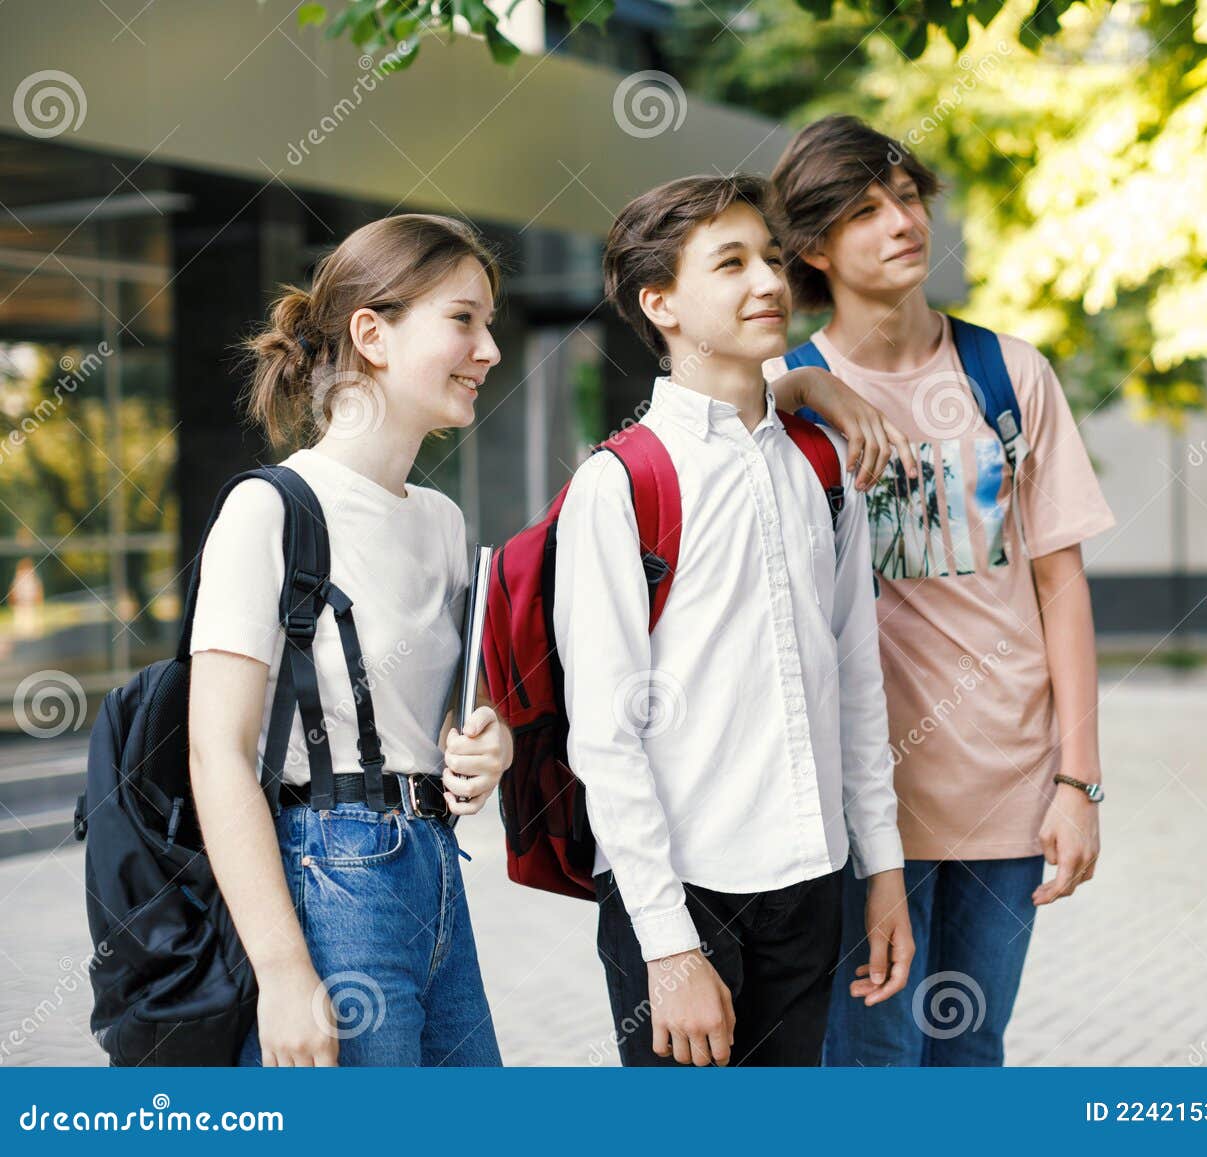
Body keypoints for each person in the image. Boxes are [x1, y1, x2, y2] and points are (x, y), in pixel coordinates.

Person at [767, 116, 1117, 1066]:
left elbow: (1063, 587)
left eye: (907, 197)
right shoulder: (782, 392)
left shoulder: (1009, 374)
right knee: (872, 1061)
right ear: (811, 247)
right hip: (860, 801)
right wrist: (805, 389)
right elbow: (696, 411)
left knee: (972, 1051)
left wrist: (1077, 781)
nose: (900, 221)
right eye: (864, 210)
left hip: (1007, 783)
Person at [555, 173, 911, 1067]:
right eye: (732, 263)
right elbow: (604, 736)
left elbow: (857, 681)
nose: (769, 282)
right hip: (686, 892)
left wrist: (884, 868)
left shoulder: (822, 465)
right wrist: (669, 947)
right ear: (662, 302)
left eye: (772, 258)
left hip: (813, 877)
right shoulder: (620, 483)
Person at [188, 214, 514, 1067]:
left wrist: (486, 745)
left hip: (436, 862)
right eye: (464, 319)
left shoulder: (441, 521)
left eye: (491, 323)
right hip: (331, 879)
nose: (491, 349)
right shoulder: (270, 509)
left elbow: (437, 722)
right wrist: (284, 970)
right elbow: (216, 753)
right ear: (371, 332)